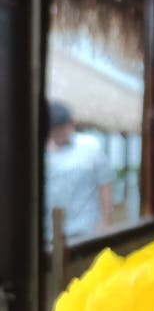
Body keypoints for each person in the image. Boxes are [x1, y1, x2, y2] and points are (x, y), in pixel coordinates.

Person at [45, 101, 113, 241]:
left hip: (85, 229)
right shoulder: (40, 151)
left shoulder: (90, 146)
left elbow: (105, 184)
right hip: (49, 232)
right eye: (54, 129)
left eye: (61, 128)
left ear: (71, 125)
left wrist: (105, 221)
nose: (59, 133)